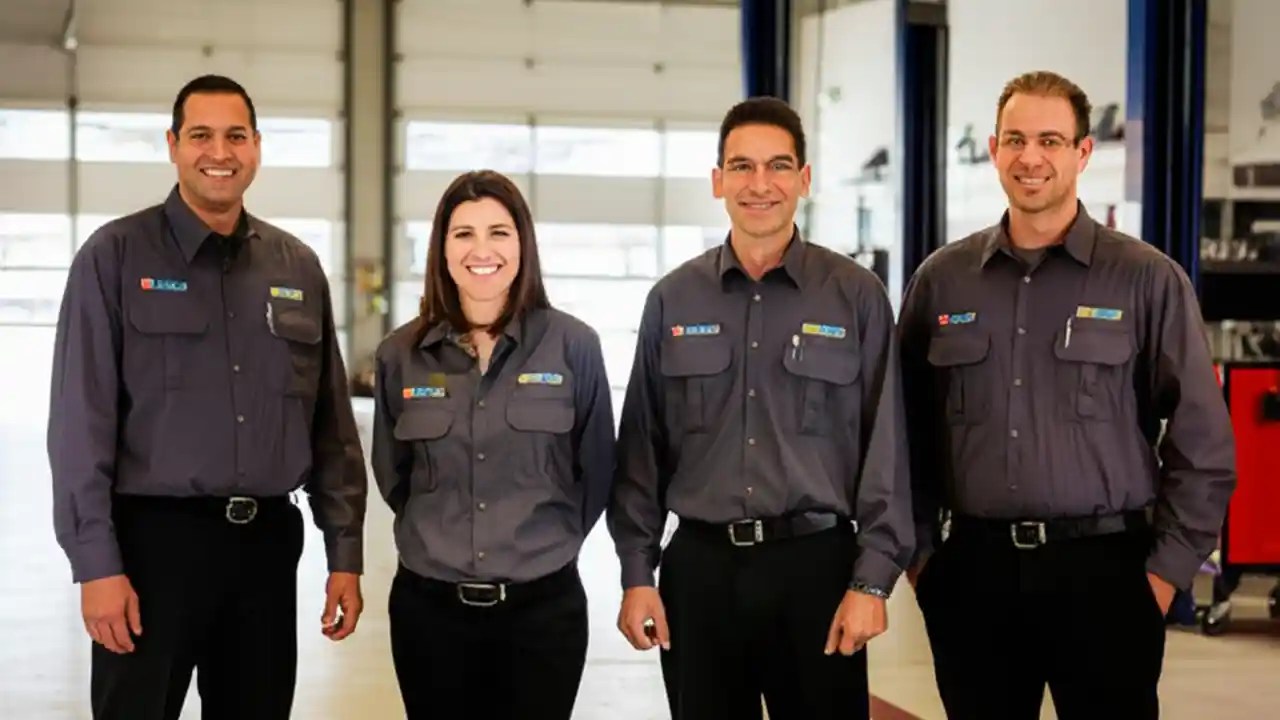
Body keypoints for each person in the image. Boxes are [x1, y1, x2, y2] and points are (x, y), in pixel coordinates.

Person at [900, 70, 1236, 719]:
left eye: (1051, 140)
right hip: (975, 576)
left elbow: (1203, 442)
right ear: (994, 149)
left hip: (1108, 576)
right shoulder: (942, 283)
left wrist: (1163, 577)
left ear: (1083, 152)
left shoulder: (1146, 280)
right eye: (1016, 139)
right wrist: (924, 564)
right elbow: (903, 436)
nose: (1031, 158)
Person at [47, 74, 367, 720]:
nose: (218, 151)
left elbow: (331, 427)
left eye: (235, 135)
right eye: (200, 135)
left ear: (256, 147)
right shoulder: (113, 257)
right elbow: (80, 426)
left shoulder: (296, 267)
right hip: (151, 549)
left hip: (267, 550)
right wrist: (96, 567)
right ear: (172, 144)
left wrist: (345, 554)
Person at [607, 96, 913, 720]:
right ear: (718, 180)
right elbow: (641, 449)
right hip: (701, 573)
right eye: (741, 167)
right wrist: (638, 573)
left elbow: (888, 447)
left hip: (818, 573)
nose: (759, 184)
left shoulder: (854, 296)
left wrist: (872, 580)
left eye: (777, 166)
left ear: (804, 179)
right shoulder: (673, 300)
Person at [370, 170, 616, 720]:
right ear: (442, 250)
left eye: (499, 232)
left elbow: (596, 468)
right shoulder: (399, 355)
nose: (482, 250)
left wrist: (542, 543)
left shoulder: (573, 346)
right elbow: (393, 474)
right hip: (430, 614)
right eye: (464, 234)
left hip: (543, 613)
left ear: (523, 244)